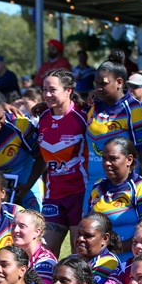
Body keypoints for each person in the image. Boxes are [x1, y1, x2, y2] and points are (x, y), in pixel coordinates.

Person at [31, 69, 88, 257]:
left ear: (68, 90)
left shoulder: (83, 117)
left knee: (78, 254)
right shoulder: (43, 117)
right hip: (53, 195)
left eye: (52, 90)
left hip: (79, 194)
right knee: (44, 253)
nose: (47, 95)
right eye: (44, 90)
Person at [85, 51, 142, 206]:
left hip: (124, 187)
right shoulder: (93, 106)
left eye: (103, 84)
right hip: (93, 186)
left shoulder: (134, 111)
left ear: (119, 82)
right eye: (96, 84)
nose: (98, 88)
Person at [88, 137, 142, 260]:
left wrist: (111, 249)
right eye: (104, 158)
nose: (107, 163)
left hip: (134, 262)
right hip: (100, 261)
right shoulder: (97, 188)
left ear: (129, 160)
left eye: (113, 159)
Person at [11, 209, 58, 284]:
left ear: (37, 232)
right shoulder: (11, 253)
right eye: (14, 225)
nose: (15, 230)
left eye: (22, 226)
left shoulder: (46, 261)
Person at [74, 212, 121, 284]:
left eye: (88, 235)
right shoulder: (72, 258)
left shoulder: (109, 262)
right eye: (78, 234)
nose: (80, 239)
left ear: (105, 238)